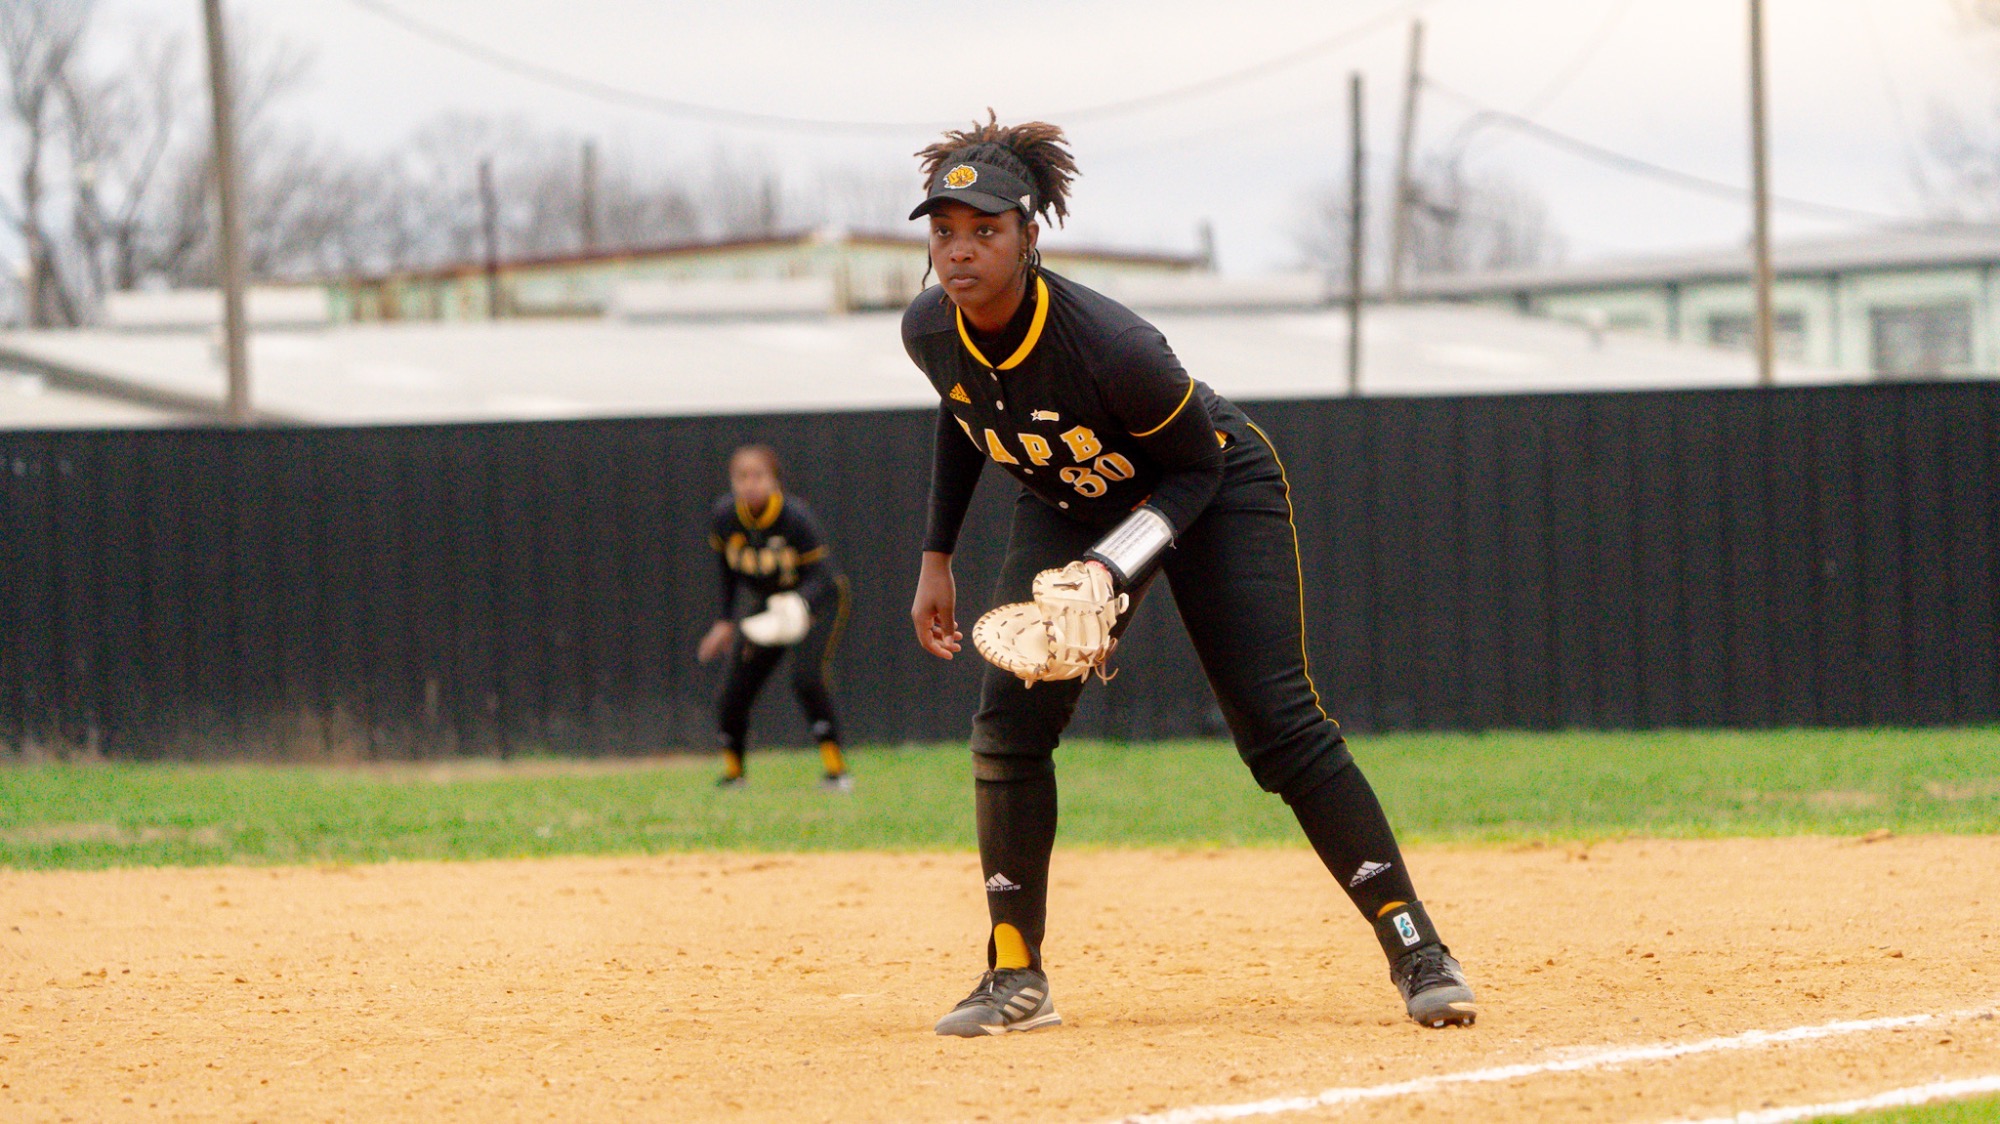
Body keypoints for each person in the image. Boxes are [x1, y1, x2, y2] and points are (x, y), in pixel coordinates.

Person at [902, 113, 1475, 1036]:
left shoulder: (1112, 345)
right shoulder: (930, 325)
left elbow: (1196, 470)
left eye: (985, 229)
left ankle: (1417, 946)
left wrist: (1106, 566)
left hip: (1209, 489)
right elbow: (961, 408)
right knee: (1008, 728)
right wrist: (937, 555)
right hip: (1069, 502)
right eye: (944, 232)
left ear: (1028, 236)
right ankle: (1015, 974)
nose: (961, 250)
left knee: (1279, 729)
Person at [697, 444, 853, 791]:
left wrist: (800, 606)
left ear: (775, 481)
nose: (750, 484)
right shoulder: (725, 517)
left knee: (807, 679)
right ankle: (734, 775)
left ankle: (837, 772)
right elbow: (726, 571)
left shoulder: (794, 517)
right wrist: (724, 620)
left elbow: (824, 576)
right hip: (770, 604)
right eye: (742, 476)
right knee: (733, 690)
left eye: (758, 476)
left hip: (818, 601)